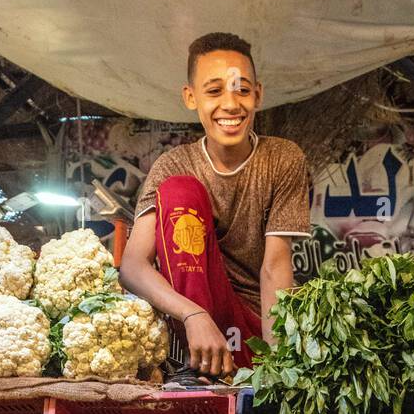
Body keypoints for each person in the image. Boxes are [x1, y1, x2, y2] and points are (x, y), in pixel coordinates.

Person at [118, 31, 311, 380]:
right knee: (180, 192)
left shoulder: (283, 159)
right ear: (191, 97)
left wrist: (279, 368)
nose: (231, 104)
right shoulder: (173, 165)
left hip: (256, 330)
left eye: (242, 89)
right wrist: (193, 315)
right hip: (196, 330)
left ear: (259, 94)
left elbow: (275, 270)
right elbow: (132, 266)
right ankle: (200, 368)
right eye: (214, 91)